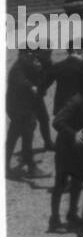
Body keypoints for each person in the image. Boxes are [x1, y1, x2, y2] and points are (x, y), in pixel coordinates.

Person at [48, 67, 83, 231]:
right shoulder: (76, 101)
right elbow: (58, 122)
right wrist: (74, 134)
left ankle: (72, 213)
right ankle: (54, 220)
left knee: (78, 181)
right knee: (60, 183)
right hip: (66, 148)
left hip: (81, 150)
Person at [6, 50, 48, 179]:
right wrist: (33, 87)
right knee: (25, 136)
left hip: (23, 108)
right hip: (19, 109)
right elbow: (24, 83)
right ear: (22, 56)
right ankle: (31, 167)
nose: (33, 57)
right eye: (29, 55)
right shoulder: (17, 69)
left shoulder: (28, 66)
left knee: (14, 136)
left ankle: (7, 164)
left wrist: (39, 70)